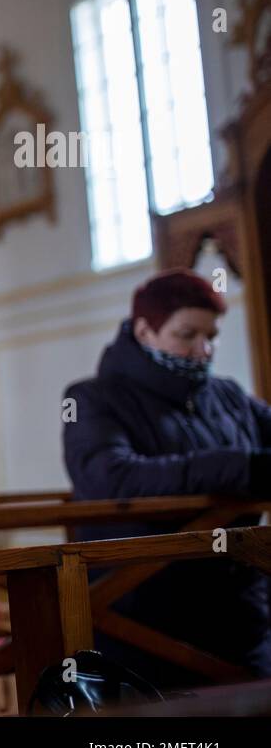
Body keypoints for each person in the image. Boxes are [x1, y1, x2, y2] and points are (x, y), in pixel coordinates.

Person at [62, 268, 271, 688]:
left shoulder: (228, 396)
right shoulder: (89, 398)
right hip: (141, 611)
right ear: (144, 330)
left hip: (238, 608)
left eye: (211, 336)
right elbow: (111, 478)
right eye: (187, 334)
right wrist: (240, 468)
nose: (203, 350)